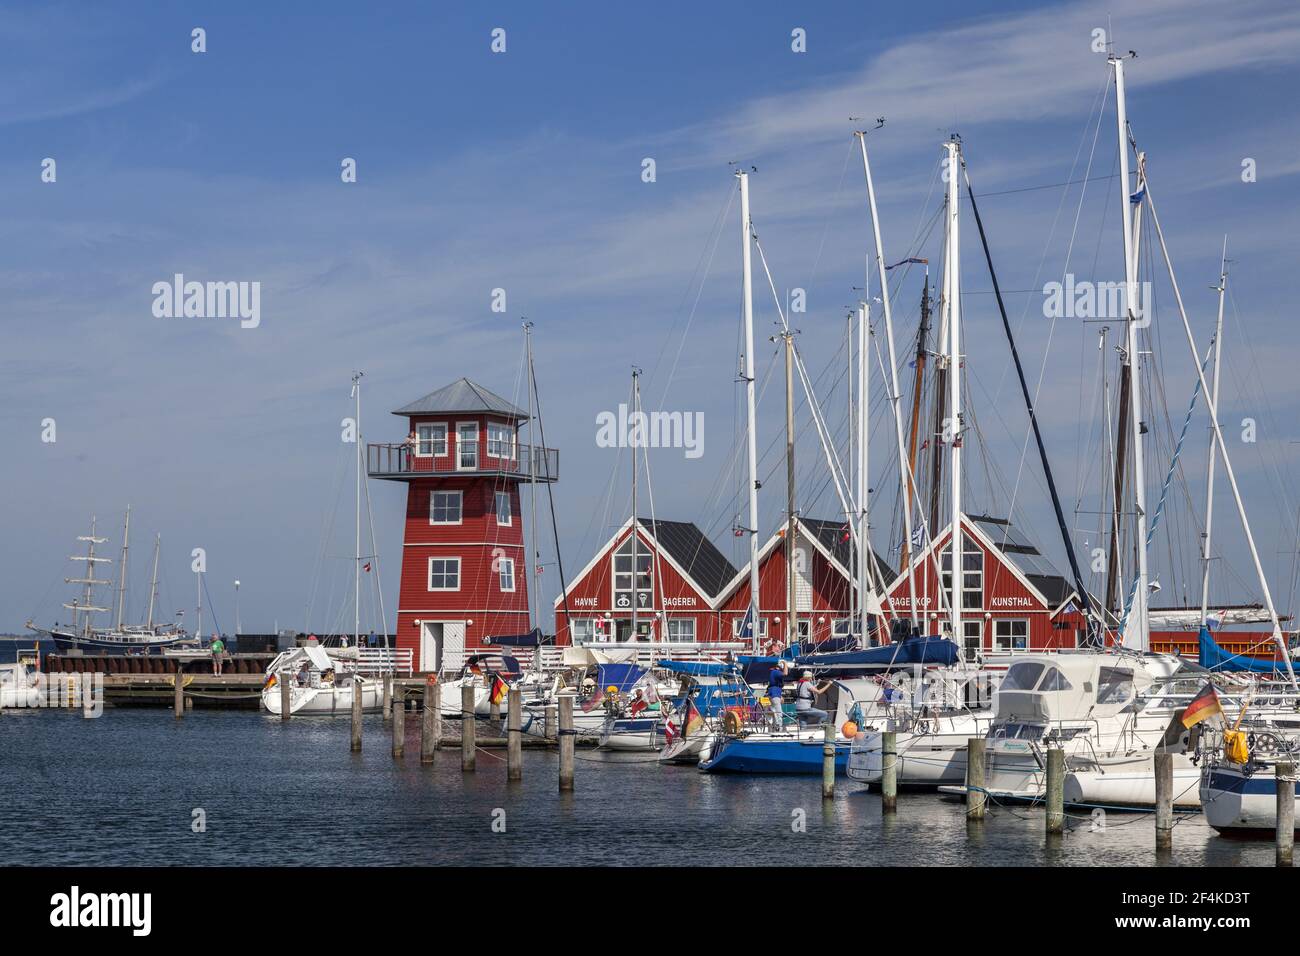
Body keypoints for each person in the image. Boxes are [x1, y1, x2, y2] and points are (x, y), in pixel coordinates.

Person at [767, 660, 788, 730]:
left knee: (775, 712)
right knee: (779, 712)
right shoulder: (776, 672)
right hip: (775, 694)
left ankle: (773, 727)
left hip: (773, 694)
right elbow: (785, 673)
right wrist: (785, 663)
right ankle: (779, 728)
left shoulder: (773, 672)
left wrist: (780, 696)